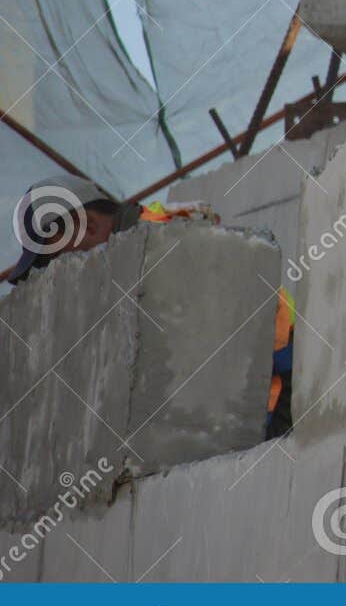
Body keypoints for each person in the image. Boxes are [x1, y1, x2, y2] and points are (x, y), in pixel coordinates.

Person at [7, 179, 294, 438]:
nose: (60, 273)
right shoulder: (126, 261)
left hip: (266, 417)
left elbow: (278, 337)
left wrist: (277, 431)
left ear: (89, 226)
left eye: (59, 258)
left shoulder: (165, 245)